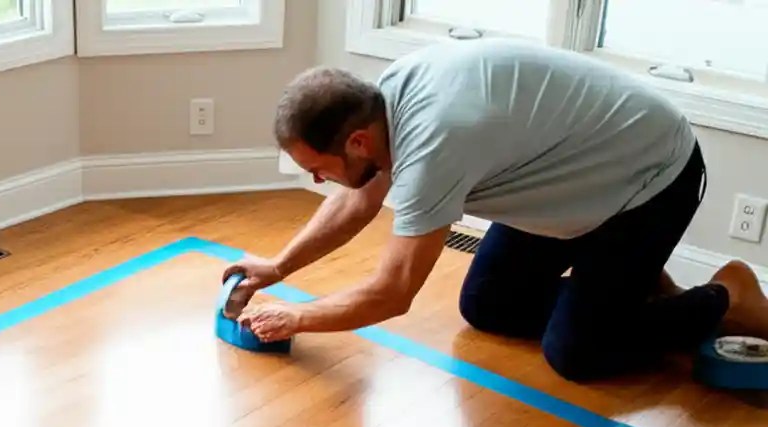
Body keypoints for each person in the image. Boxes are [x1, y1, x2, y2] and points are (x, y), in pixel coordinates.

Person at [224, 38, 768, 381]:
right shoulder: (381, 101)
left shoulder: (434, 144)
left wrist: (297, 316)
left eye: (318, 168)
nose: (317, 181)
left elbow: (393, 293)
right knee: (489, 305)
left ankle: (725, 297)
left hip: (649, 178)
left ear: (360, 142)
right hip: (570, 176)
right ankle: (634, 292)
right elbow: (357, 200)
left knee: (579, 353)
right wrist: (278, 268)